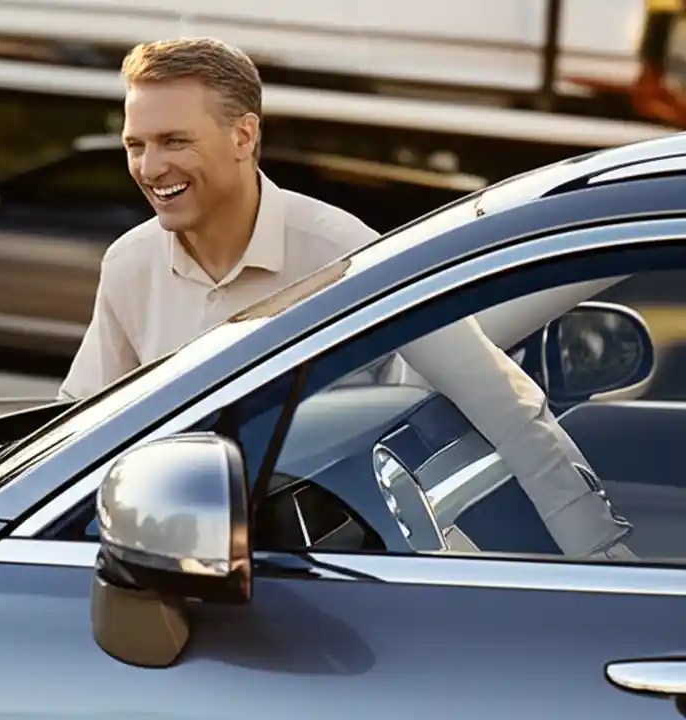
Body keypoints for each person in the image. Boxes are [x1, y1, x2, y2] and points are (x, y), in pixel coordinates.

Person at [60, 36, 632, 560]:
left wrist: (603, 555)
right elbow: (78, 428)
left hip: (337, 565)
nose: (149, 167)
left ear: (243, 136)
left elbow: (504, 405)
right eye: (136, 144)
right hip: (175, 562)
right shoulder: (130, 264)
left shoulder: (342, 255)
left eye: (173, 141)